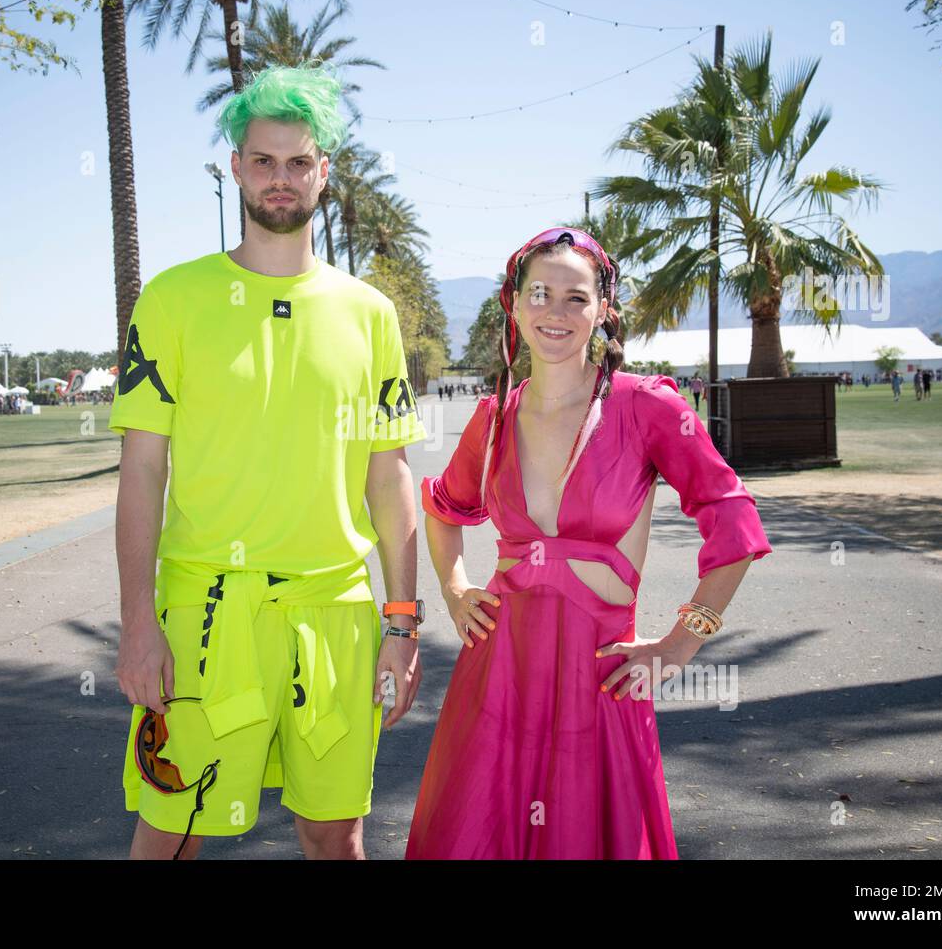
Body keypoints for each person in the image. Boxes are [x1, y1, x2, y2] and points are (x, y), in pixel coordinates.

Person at [110, 63, 428, 861]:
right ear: (235, 168)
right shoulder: (174, 299)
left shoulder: (370, 314)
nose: (279, 179)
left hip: (335, 613)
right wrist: (138, 621)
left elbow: (388, 478)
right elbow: (142, 471)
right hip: (206, 611)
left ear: (324, 173)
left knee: (334, 832)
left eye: (297, 162)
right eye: (262, 160)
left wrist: (402, 620)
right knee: (172, 832)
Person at [404, 228, 772, 859]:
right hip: (498, 676)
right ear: (513, 303)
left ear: (604, 309)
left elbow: (731, 513)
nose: (556, 312)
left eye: (576, 298)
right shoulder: (492, 419)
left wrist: (683, 641)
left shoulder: (646, 406)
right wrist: (455, 587)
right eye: (540, 294)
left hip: (600, 679)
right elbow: (443, 509)